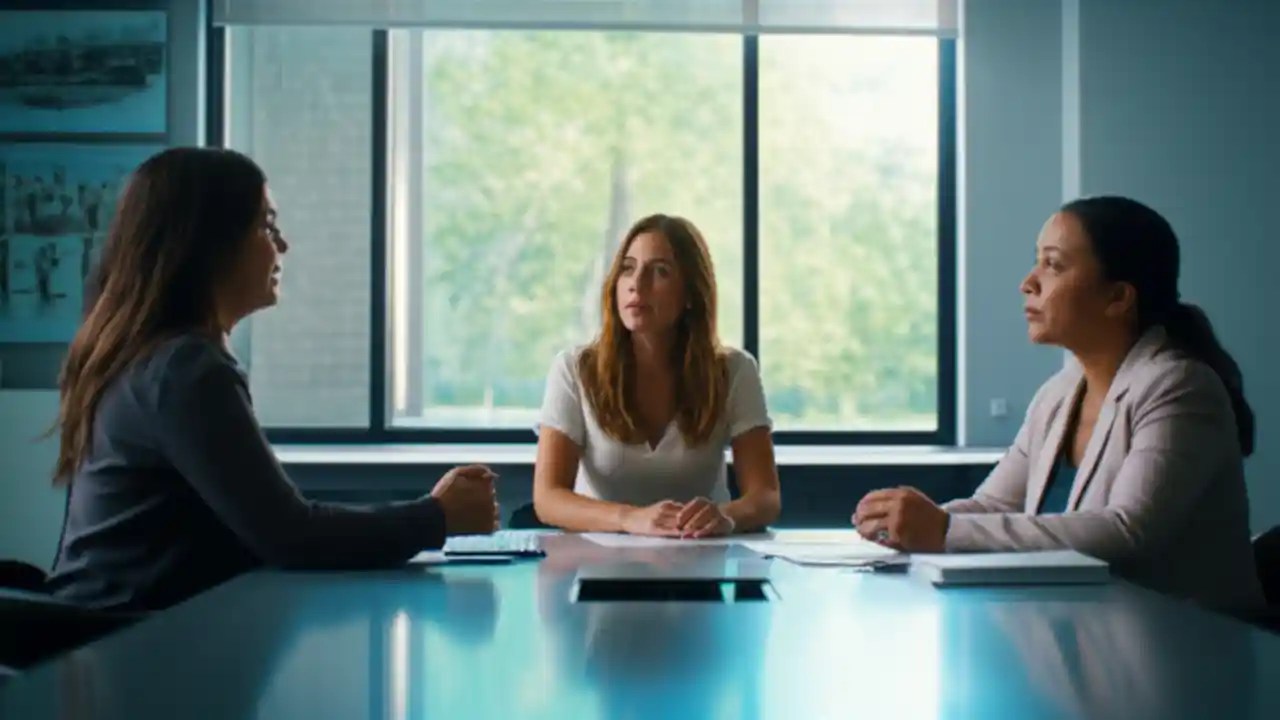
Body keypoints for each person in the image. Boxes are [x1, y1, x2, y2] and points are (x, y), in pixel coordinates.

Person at [45, 147, 499, 612]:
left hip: (117, 639)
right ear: (209, 242)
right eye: (266, 225)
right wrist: (437, 516)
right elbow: (292, 536)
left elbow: (273, 521)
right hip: (124, 649)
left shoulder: (154, 358)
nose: (282, 246)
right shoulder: (185, 371)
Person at [853, 196, 1263, 611]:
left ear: (1118, 297)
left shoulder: (1181, 385)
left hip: (1192, 645)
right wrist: (904, 524)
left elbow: (1128, 531)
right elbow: (994, 507)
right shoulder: (1059, 392)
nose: (1028, 282)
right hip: (1090, 632)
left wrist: (944, 530)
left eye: (1054, 264)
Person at [533, 213, 780, 538]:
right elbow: (548, 498)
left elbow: (766, 497)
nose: (637, 283)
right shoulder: (574, 369)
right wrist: (629, 518)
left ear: (691, 294)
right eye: (628, 268)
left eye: (660, 271)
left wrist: (725, 516)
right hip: (597, 565)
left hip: (699, 560)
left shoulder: (734, 371)